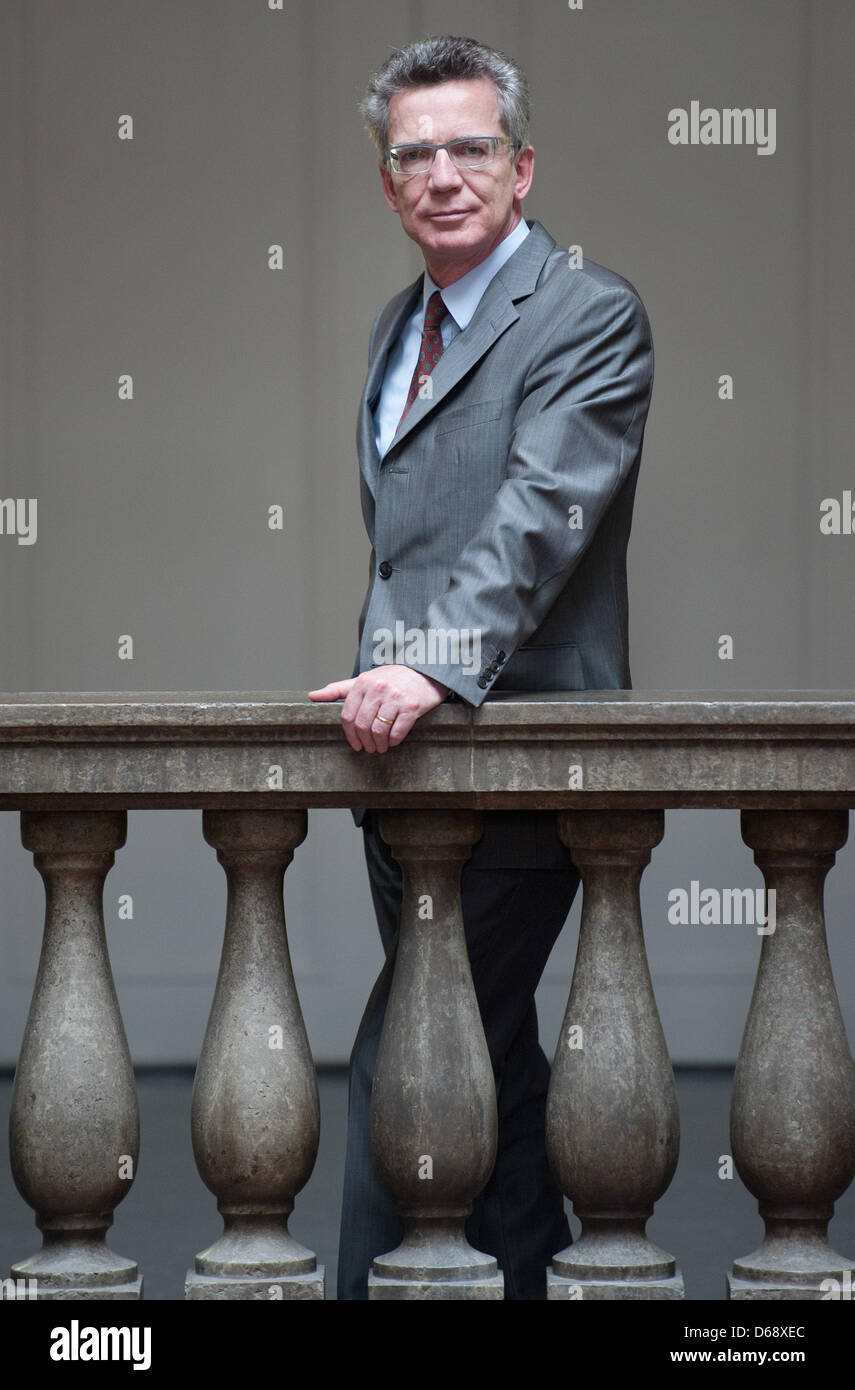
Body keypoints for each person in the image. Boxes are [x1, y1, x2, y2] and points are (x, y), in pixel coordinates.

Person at [308, 34, 654, 1299]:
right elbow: (412, 536)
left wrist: (433, 668)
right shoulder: (401, 326)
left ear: (520, 167)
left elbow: (540, 516)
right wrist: (383, 672)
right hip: (400, 756)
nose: (442, 173)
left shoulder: (586, 311)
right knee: (489, 1058)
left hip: (513, 750)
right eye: (414, 154)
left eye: (470, 147)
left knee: (413, 1044)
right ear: (388, 180)